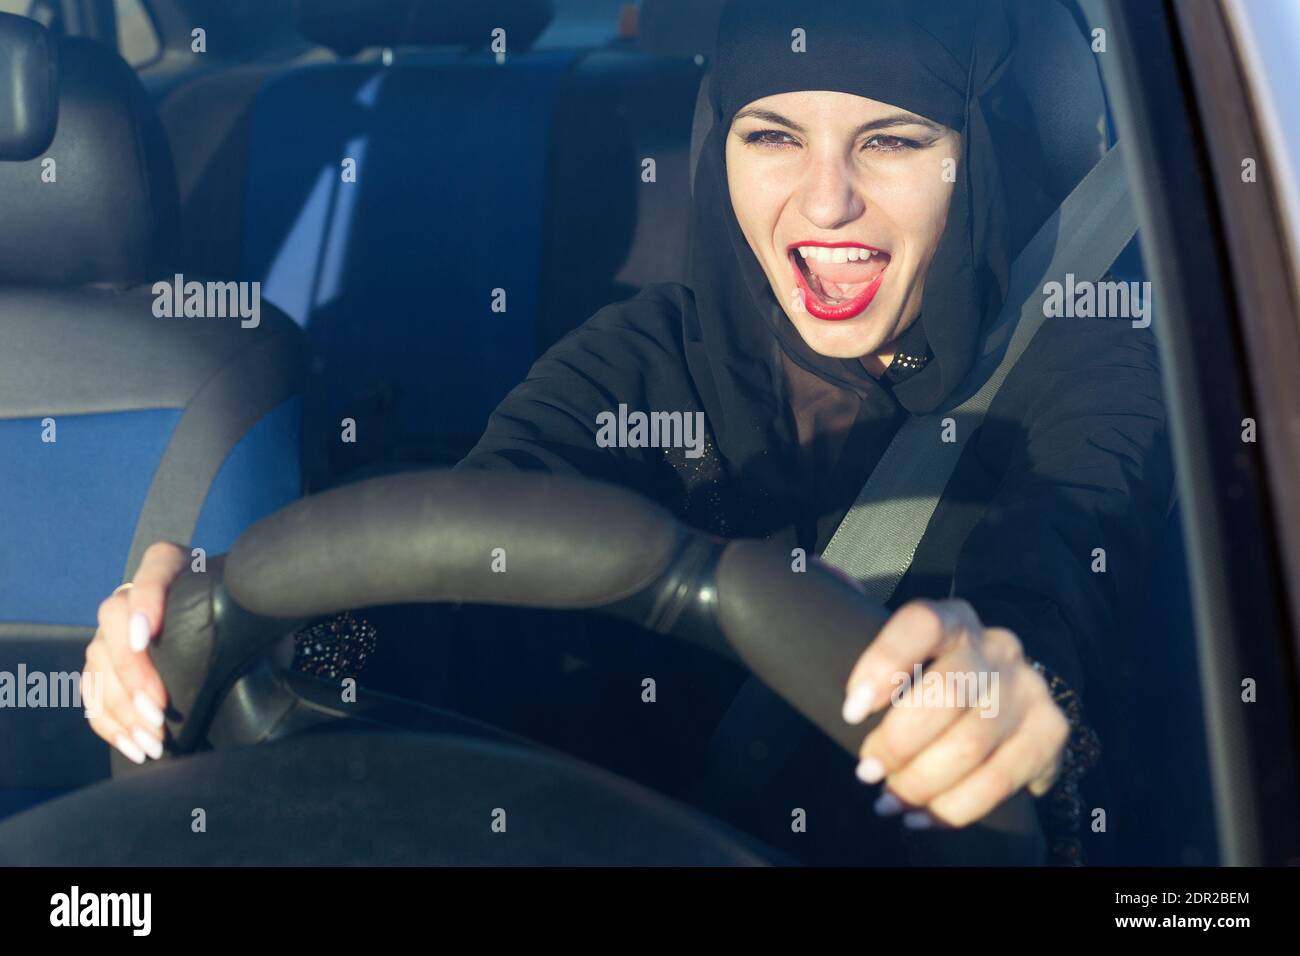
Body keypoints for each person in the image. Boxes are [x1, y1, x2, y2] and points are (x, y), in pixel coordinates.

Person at [83, 0, 1172, 865]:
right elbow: (449, 571)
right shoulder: (643, 354)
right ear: (720, 145)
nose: (825, 201)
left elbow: (1066, 562)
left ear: (975, 153)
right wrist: (229, 629)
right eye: (773, 135)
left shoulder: (1082, 369)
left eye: (891, 139)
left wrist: (1021, 705)